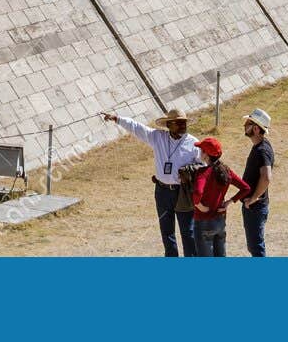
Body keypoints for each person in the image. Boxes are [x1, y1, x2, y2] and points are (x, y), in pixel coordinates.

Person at [101, 108, 199, 256]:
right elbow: (137, 128)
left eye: (184, 122)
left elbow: (204, 166)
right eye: (179, 123)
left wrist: (191, 170)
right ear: (169, 125)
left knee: (188, 231)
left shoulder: (194, 143)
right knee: (167, 231)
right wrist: (118, 119)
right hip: (163, 191)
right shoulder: (157, 137)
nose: (183, 126)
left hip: (183, 193)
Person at [189, 137, 249, 256]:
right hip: (219, 220)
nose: (200, 153)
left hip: (203, 222)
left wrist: (199, 205)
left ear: (206, 155)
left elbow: (197, 192)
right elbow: (245, 188)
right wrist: (229, 202)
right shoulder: (226, 171)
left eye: (202, 150)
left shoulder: (203, 173)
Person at [240, 108, 275, 256]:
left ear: (255, 128)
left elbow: (266, 177)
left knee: (256, 248)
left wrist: (253, 198)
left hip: (255, 208)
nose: (244, 126)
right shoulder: (261, 146)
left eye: (247, 123)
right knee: (254, 246)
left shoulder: (262, 150)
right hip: (255, 207)